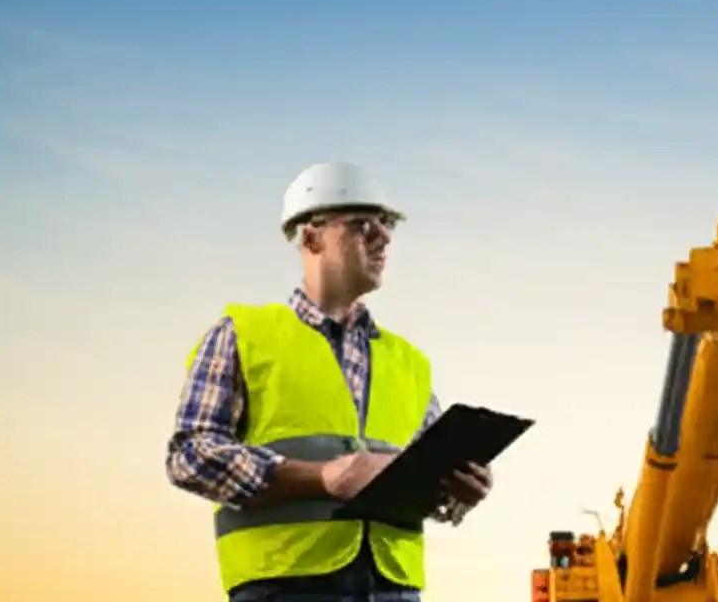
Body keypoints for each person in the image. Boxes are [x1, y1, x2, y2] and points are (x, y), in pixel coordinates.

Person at [165, 161, 493, 601]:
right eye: (363, 224)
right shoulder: (243, 335)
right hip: (285, 585)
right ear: (311, 236)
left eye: (388, 223)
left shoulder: (409, 364)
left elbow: (421, 486)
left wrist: (457, 491)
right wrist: (321, 477)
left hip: (393, 588)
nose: (385, 237)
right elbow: (189, 456)